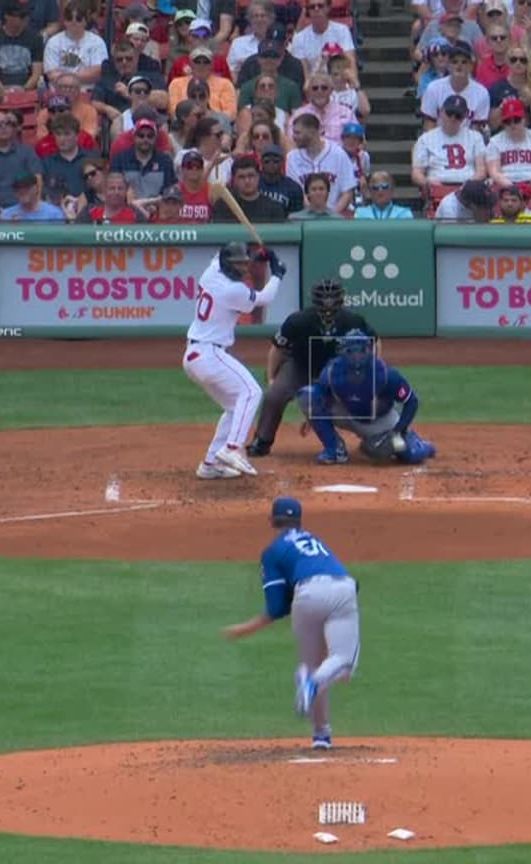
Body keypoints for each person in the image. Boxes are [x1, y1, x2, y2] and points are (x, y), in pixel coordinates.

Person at [221, 496, 360, 751]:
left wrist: (247, 628)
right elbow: (345, 579)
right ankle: (313, 685)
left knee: (313, 666)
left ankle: (321, 734)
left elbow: (276, 607)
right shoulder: (316, 541)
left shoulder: (273, 552)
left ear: (272, 521)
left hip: (306, 597)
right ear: (300, 520)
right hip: (342, 588)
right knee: (342, 661)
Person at [186, 240, 284, 480]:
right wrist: (277, 273)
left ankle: (211, 463)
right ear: (227, 264)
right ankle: (232, 449)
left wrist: (256, 254)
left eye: (244, 263)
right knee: (252, 392)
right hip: (210, 354)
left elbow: (222, 255)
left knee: (234, 407)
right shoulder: (233, 290)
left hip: (195, 355)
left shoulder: (211, 273)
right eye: (237, 264)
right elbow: (264, 298)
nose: (242, 268)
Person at [247, 278, 376, 457]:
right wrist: (271, 378)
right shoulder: (299, 320)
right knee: (274, 395)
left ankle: (373, 438)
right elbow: (277, 349)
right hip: (300, 365)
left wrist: (371, 369)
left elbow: (373, 342)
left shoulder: (353, 320)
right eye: (324, 298)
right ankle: (262, 440)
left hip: (337, 369)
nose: (328, 303)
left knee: (359, 398)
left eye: (332, 297)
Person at [298, 328, 436, 466]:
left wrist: (398, 431)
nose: (356, 356)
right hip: (347, 413)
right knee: (308, 395)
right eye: (351, 351)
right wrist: (312, 417)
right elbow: (319, 394)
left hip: (379, 421)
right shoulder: (331, 372)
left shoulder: (386, 375)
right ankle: (334, 449)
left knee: (408, 455)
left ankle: (422, 445)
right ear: (342, 352)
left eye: (361, 351)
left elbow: (411, 401)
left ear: (369, 351)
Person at [413, 93, 487, 193]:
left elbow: (481, 171)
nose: (452, 118)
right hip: (438, 185)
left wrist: (469, 185)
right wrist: (427, 182)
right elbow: (417, 173)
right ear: (441, 112)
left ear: (464, 117)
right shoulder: (425, 139)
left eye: (458, 115)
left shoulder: (475, 137)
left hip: (467, 186)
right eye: (449, 113)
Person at [284, 112, 356, 214]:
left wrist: (331, 215)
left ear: (312, 132)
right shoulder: (292, 157)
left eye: (297, 133)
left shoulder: (338, 154)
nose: (294, 137)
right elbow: (299, 194)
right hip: (306, 217)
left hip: (336, 216)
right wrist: (315, 214)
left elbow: (347, 193)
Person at [0, 0, 42, 90]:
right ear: (7, 16)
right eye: (19, 16)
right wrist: (5, 91)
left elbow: (36, 74)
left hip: (27, 89)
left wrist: (23, 90)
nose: (23, 19)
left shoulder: (36, 39)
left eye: (25, 16)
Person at [43, 0, 104, 86]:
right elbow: (51, 75)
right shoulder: (53, 42)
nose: (73, 22)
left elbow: (98, 71)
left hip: (88, 92)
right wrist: (78, 76)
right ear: (64, 21)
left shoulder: (97, 42)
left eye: (78, 18)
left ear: (85, 21)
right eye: (69, 18)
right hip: (59, 91)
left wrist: (67, 75)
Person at [213, 155, 289, 222]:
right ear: (234, 180)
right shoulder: (223, 206)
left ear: (258, 177)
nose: (247, 181)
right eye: (241, 177)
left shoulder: (274, 208)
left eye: (251, 176)